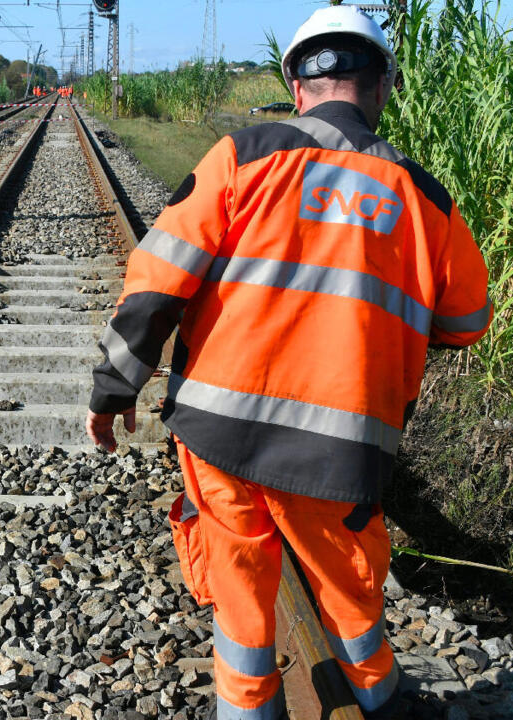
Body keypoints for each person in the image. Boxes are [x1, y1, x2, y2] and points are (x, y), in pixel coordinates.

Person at [85, 6, 491, 719]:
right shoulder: (427, 201)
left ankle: (246, 710)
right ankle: (383, 702)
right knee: (350, 591)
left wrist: (115, 386)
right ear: (384, 86)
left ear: (296, 85)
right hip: (342, 448)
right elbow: (464, 324)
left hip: (220, 433)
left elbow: (157, 284)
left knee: (241, 599)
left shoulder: (243, 155)